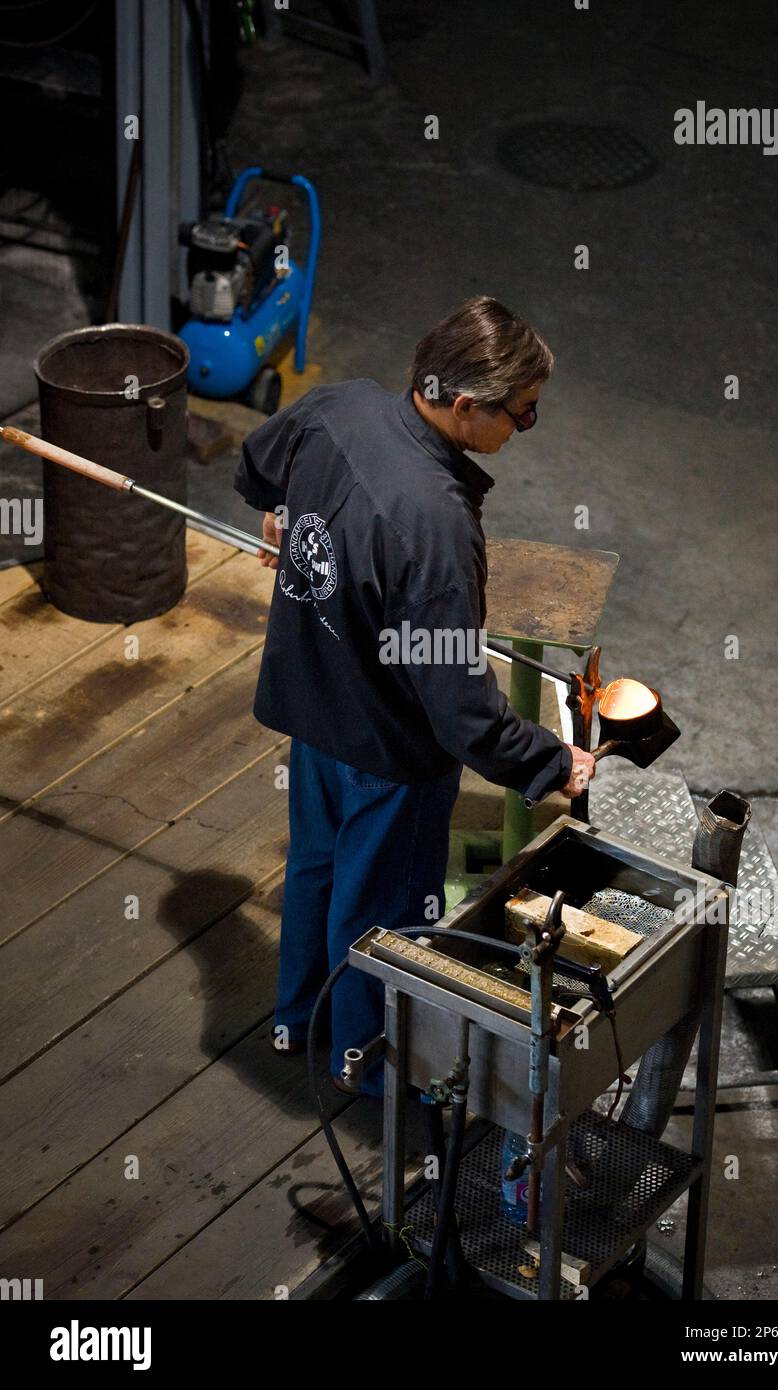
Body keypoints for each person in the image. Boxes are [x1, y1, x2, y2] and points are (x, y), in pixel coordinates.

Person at [234, 295, 595, 1096]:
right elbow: (459, 705)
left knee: (319, 870)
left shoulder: (340, 406)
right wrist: (548, 761)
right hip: (387, 752)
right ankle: (369, 1071)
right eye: (523, 417)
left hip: (311, 704)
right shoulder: (432, 522)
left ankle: (300, 1021)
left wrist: (286, 515)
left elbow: (256, 467)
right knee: (384, 914)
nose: (525, 432)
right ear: (466, 406)